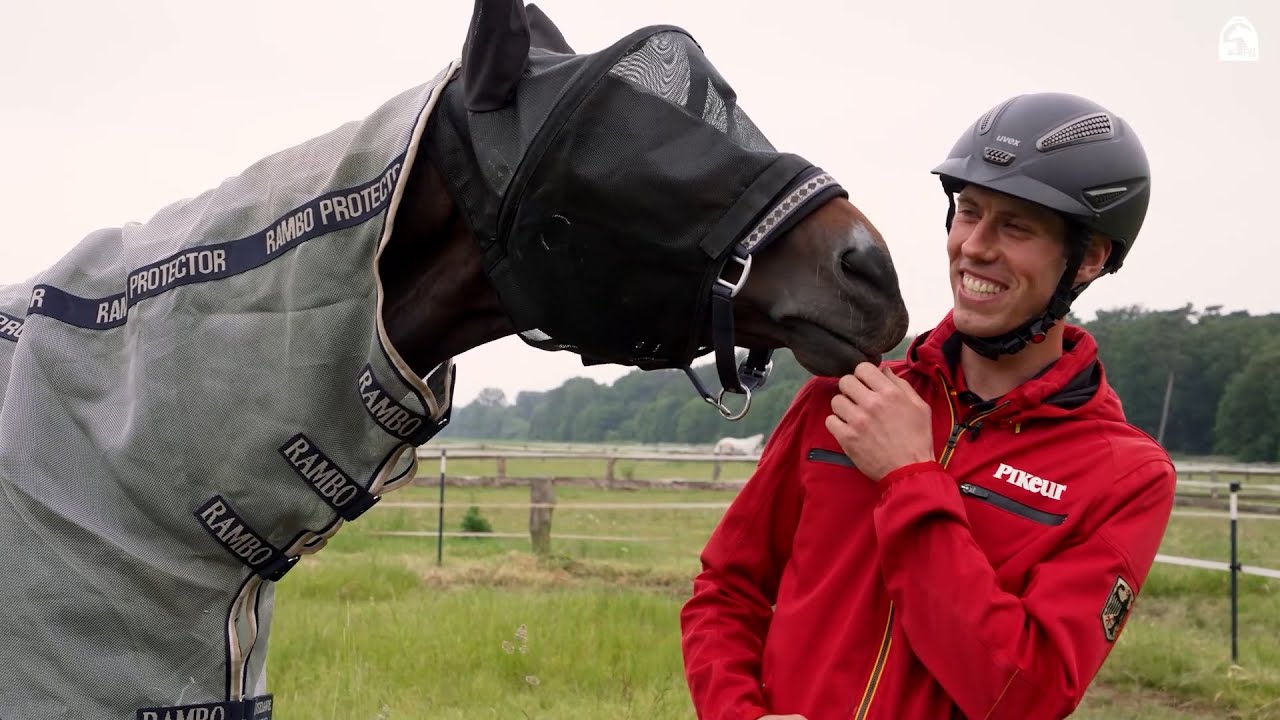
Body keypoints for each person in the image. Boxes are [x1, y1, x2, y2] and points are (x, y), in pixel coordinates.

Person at [679, 92, 1177, 720]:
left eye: (1016, 225)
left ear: (1092, 257)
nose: (975, 247)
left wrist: (910, 478)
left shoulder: (1125, 477)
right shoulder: (843, 397)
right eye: (968, 212)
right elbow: (726, 590)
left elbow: (1022, 697)